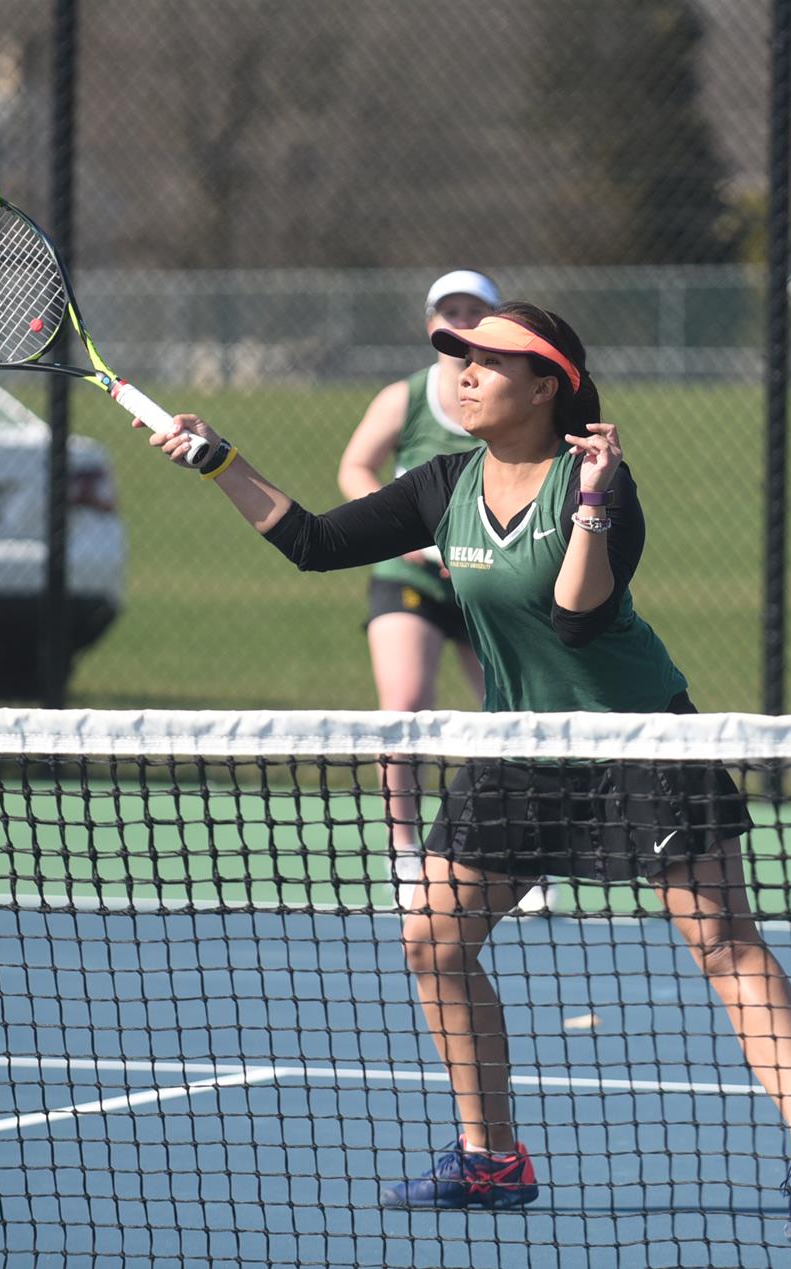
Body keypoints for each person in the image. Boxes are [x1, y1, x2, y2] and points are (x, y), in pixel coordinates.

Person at [146, 302, 791, 1245]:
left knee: (722, 942)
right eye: (460, 359)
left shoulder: (597, 482)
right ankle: (492, 1155)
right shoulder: (444, 482)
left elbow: (577, 619)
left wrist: (593, 503)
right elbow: (315, 542)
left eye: (488, 361)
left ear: (547, 385)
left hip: (642, 742)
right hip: (519, 749)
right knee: (432, 941)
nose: (465, 374)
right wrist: (220, 461)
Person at [335, 270, 554, 917]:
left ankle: (523, 856)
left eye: (473, 311)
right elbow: (355, 465)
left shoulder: (517, 403)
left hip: (493, 586)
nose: (460, 322)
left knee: (512, 717)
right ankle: (405, 852)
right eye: (448, 311)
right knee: (404, 707)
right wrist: (397, 531)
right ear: (431, 323)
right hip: (411, 580)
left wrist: (492, 552)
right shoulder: (403, 397)